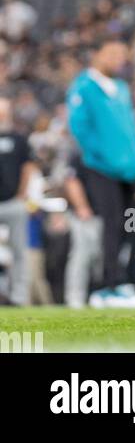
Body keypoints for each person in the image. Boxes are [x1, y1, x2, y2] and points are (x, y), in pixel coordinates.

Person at [66, 40, 135, 305]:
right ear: (97, 53)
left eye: (122, 55)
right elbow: (80, 127)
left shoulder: (121, 88)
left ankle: (123, 280)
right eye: (112, 53)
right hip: (102, 169)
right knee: (111, 227)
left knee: (130, 225)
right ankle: (107, 285)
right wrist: (101, 156)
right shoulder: (84, 86)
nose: (117, 59)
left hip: (129, 172)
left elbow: (131, 130)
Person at [0, 97, 35, 306]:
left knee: (20, 250)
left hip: (14, 202)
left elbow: (28, 167)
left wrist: (22, 194)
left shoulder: (19, 138)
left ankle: (19, 296)